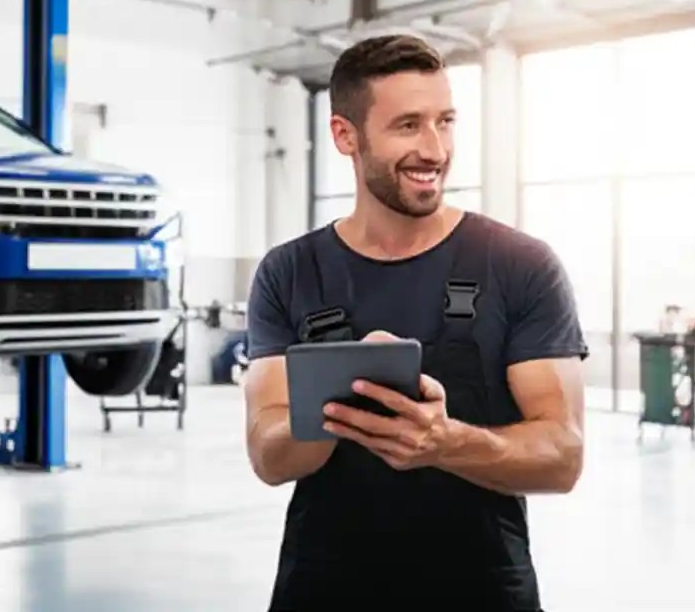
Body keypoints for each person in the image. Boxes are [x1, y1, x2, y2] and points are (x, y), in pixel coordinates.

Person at [242, 34, 588, 611]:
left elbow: (562, 455)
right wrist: (340, 401)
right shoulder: (290, 272)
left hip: (481, 593)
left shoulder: (520, 265)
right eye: (408, 126)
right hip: (325, 592)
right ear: (345, 135)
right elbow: (268, 457)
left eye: (445, 122)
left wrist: (446, 442)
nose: (434, 149)